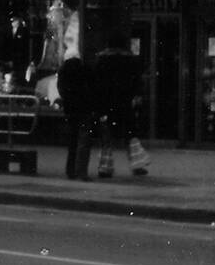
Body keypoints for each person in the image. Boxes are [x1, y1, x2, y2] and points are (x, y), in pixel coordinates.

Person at [88, 32, 147, 179]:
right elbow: (137, 81)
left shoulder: (101, 60)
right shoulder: (130, 60)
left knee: (106, 136)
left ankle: (105, 167)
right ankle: (138, 165)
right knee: (130, 134)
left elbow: (95, 82)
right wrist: (135, 95)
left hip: (106, 102)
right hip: (125, 102)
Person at [57, 49, 96, 180]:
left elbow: (61, 90)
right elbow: (92, 87)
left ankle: (70, 170)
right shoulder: (85, 68)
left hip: (70, 109)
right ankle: (81, 171)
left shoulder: (63, 70)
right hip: (85, 108)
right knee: (84, 140)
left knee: (72, 140)